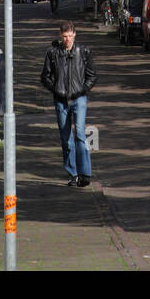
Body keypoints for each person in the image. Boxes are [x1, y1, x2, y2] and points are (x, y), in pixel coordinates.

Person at [40, 21, 97, 187]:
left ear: (75, 34)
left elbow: (92, 75)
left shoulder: (83, 52)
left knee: (79, 133)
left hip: (79, 99)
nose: (67, 40)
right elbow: (45, 76)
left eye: (70, 36)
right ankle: (73, 174)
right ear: (60, 35)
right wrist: (56, 89)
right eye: (64, 36)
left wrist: (82, 90)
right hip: (61, 100)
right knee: (66, 138)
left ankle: (85, 173)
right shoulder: (53, 53)